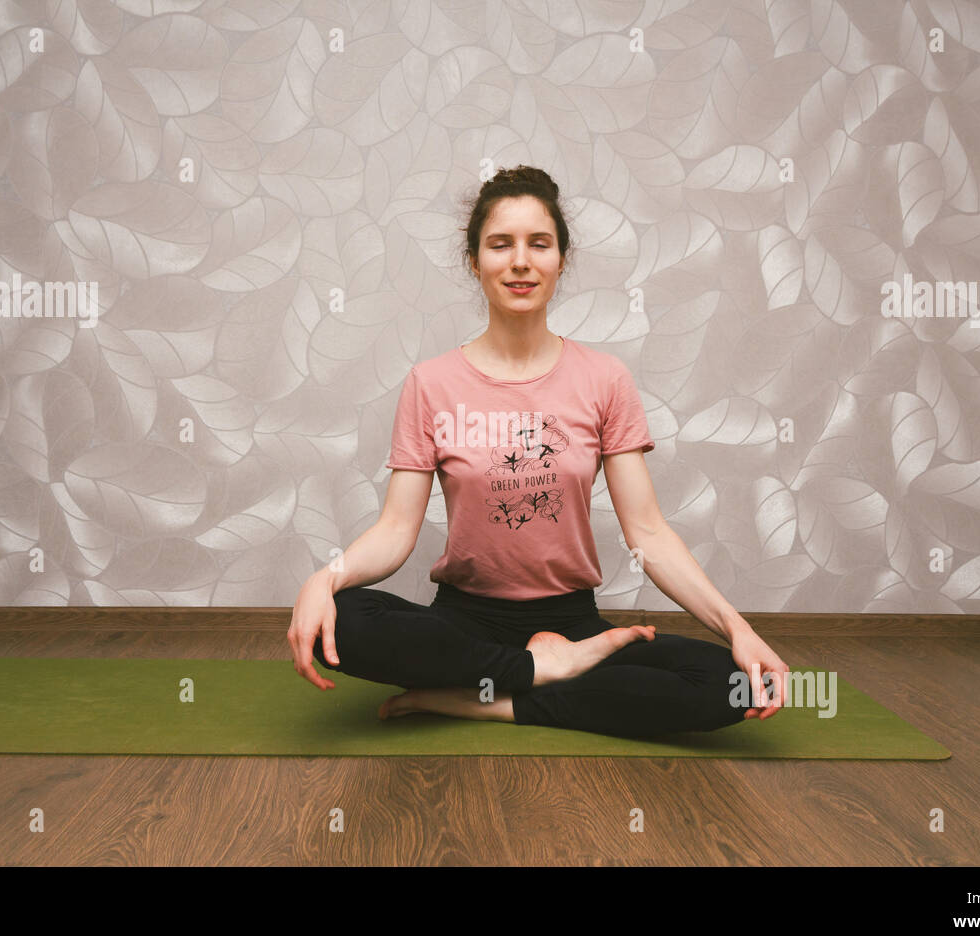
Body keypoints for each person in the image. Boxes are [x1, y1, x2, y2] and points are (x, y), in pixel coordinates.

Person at [286, 165, 790, 738]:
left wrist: (736, 627)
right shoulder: (431, 383)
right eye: (500, 245)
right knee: (345, 621)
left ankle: (492, 699)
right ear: (474, 261)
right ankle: (533, 672)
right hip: (464, 622)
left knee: (737, 683)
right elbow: (397, 531)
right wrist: (323, 580)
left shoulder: (604, 380)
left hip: (569, 624)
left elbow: (648, 534)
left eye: (539, 244)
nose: (520, 261)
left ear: (560, 260)